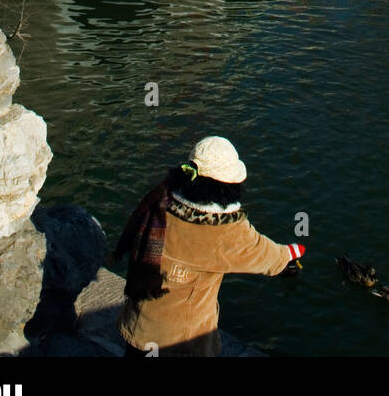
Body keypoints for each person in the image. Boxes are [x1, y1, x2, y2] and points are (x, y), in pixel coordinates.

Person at [116, 136, 304, 358]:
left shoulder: (160, 201)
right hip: (182, 342)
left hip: (140, 328)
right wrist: (290, 254)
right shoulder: (223, 230)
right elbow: (262, 254)